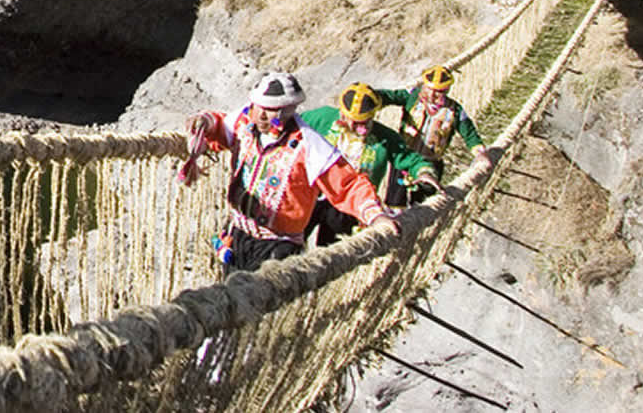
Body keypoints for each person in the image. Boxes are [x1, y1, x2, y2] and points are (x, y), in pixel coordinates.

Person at [180, 72, 399, 272]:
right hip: (237, 232)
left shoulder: (308, 144)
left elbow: (347, 184)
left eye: (273, 111)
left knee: (257, 306)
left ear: (288, 111)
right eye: (259, 108)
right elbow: (220, 128)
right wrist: (203, 123)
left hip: (276, 246)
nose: (262, 116)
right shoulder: (245, 122)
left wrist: (375, 216)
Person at [300, 84, 441, 245]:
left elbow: (409, 158)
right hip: (311, 196)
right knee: (291, 245)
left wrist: (424, 172)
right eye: (357, 123)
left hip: (351, 205)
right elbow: (292, 125)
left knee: (330, 255)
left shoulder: (384, 137)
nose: (363, 129)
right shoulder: (322, 118)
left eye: (367, 122)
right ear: (343, 115)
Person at [376, 66, 493, 195]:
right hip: (405, 159)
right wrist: (371, 97)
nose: (432, 95)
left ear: (446, 90)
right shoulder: (413, 97)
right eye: (429, 89)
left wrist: (480, 152)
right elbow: (390, 96)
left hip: (431, 163)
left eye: (438, 91)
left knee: (423, 206)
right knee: (395, 203)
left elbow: (469, 133)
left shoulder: (454, 111)